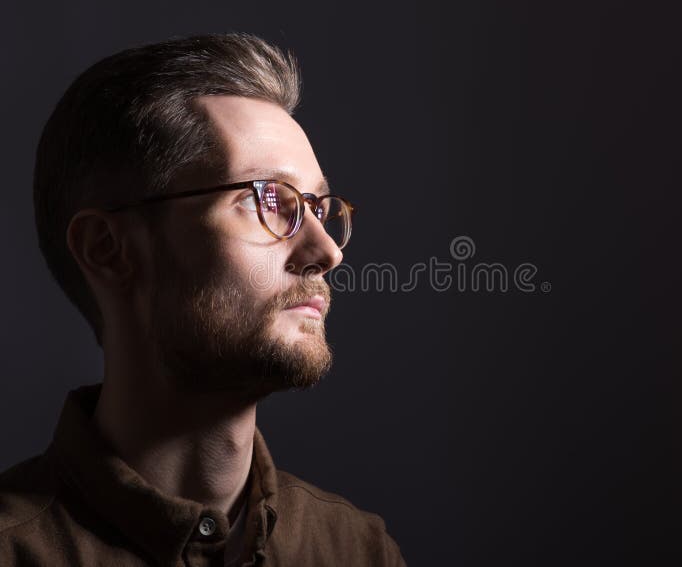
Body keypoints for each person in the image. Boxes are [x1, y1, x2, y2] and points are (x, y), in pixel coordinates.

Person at [0, 33, 406, 566]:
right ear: (108, 250)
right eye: (267, 200)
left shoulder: (356, 550)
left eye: (319, 209)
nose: (326, 250)